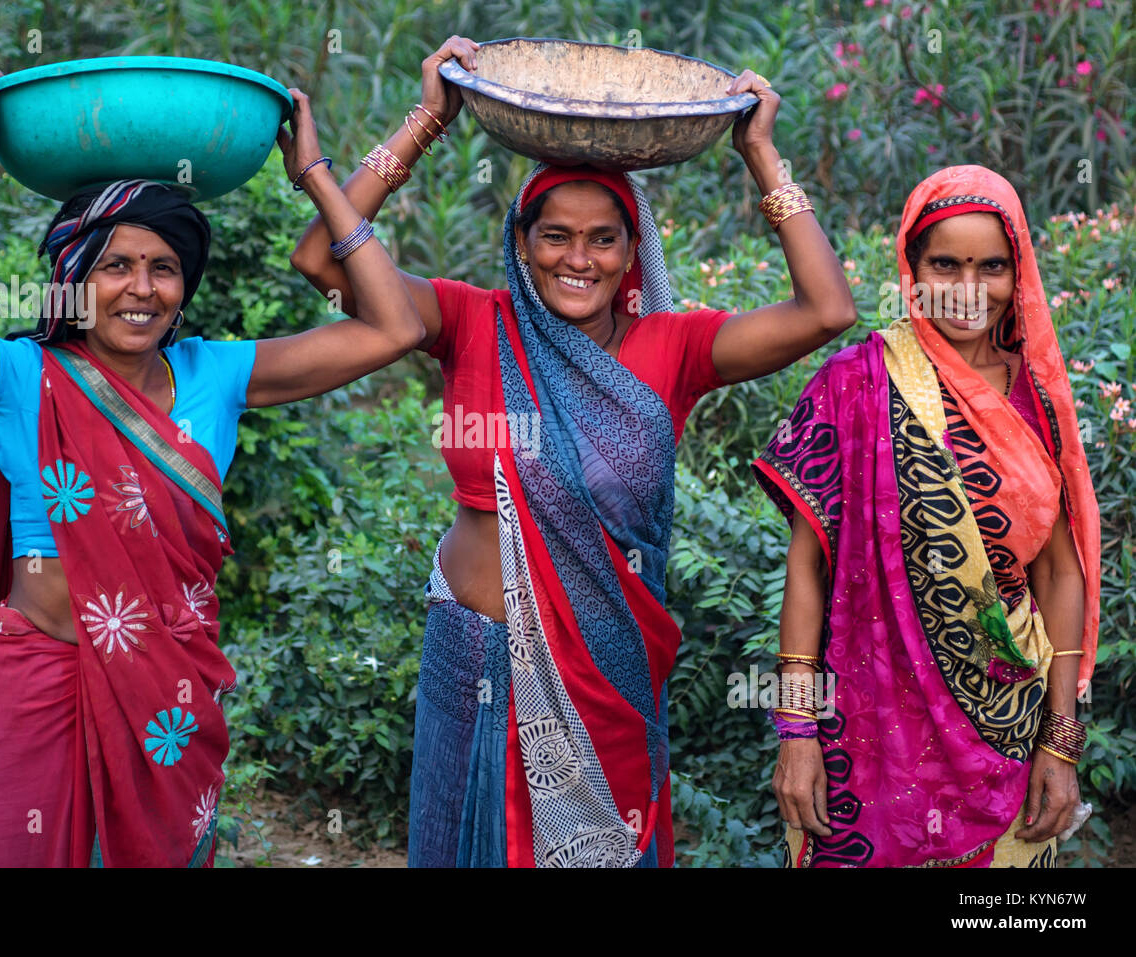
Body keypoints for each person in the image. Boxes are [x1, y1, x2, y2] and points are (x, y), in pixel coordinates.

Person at [291, 37, 858, 866]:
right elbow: (322, 259)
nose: (577, 259)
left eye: (601, 239)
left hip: (605, 672)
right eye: (554, 236)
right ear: (522, 244)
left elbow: (827, 311)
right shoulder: (468, 321)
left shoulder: (676, 347)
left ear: (632, 252)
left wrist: (760, 152)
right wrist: (426, 119)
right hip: (471, 658)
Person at [0, 68, 424, 866]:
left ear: (185, 285)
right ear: (73, 277)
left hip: (166, 693)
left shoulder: (214, 375)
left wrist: (313, 175)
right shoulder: (20, 379)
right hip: (39, 676)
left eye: (164, 267)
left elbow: (392, 328)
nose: (141, 290)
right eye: (115, 266)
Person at [754, 164, 1100, 867]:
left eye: (992, 268)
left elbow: (1062, 572)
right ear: (910, 268)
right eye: (946, 264)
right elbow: (807, 566)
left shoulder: (1038, 402)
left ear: (1018, 274)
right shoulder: (854, 383)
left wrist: (1060, 740)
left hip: (1008, 721)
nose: (969, 290)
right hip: (864, 731)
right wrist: (796, 728)